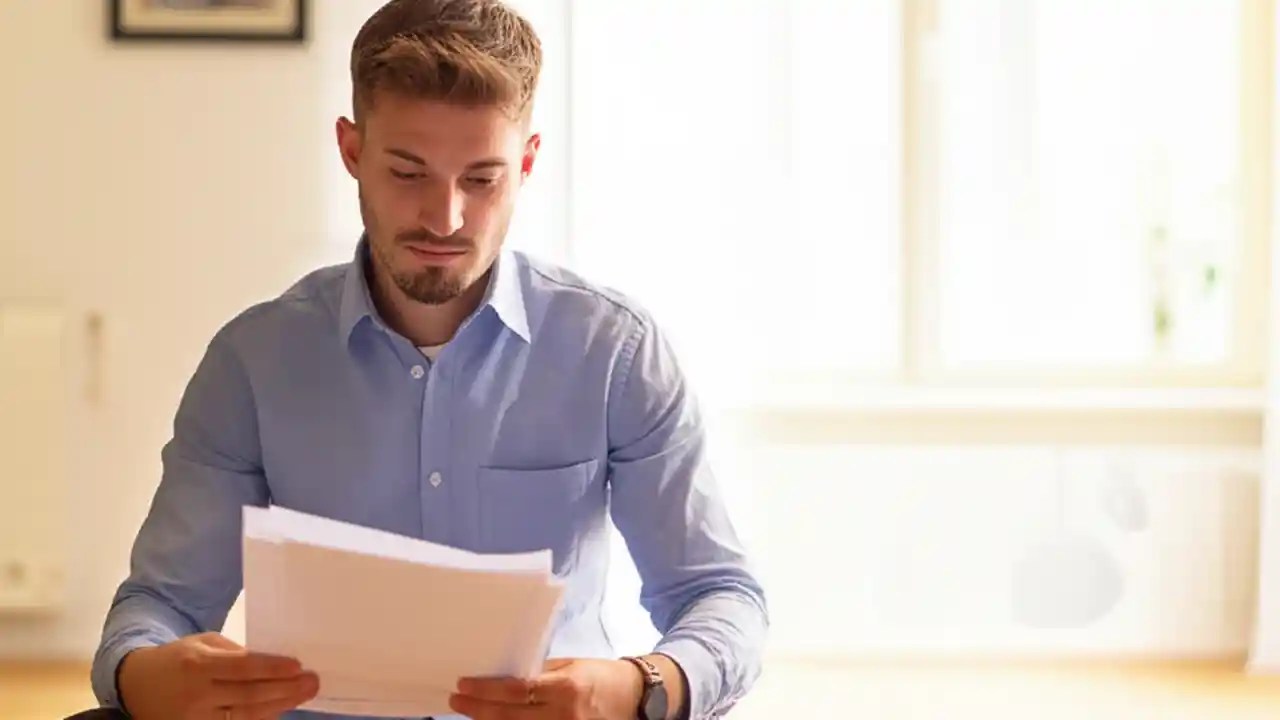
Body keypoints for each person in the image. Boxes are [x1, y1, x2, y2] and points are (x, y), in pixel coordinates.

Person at [90, 1, 768, 719]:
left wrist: (642, 687)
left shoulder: (614, 352)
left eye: (482, 180)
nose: (445, 219)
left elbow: (719, 595)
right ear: (352, 151)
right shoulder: (253, 362)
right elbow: (161, 605)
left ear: (527, 163)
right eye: (408, 173)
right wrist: (142, 675)